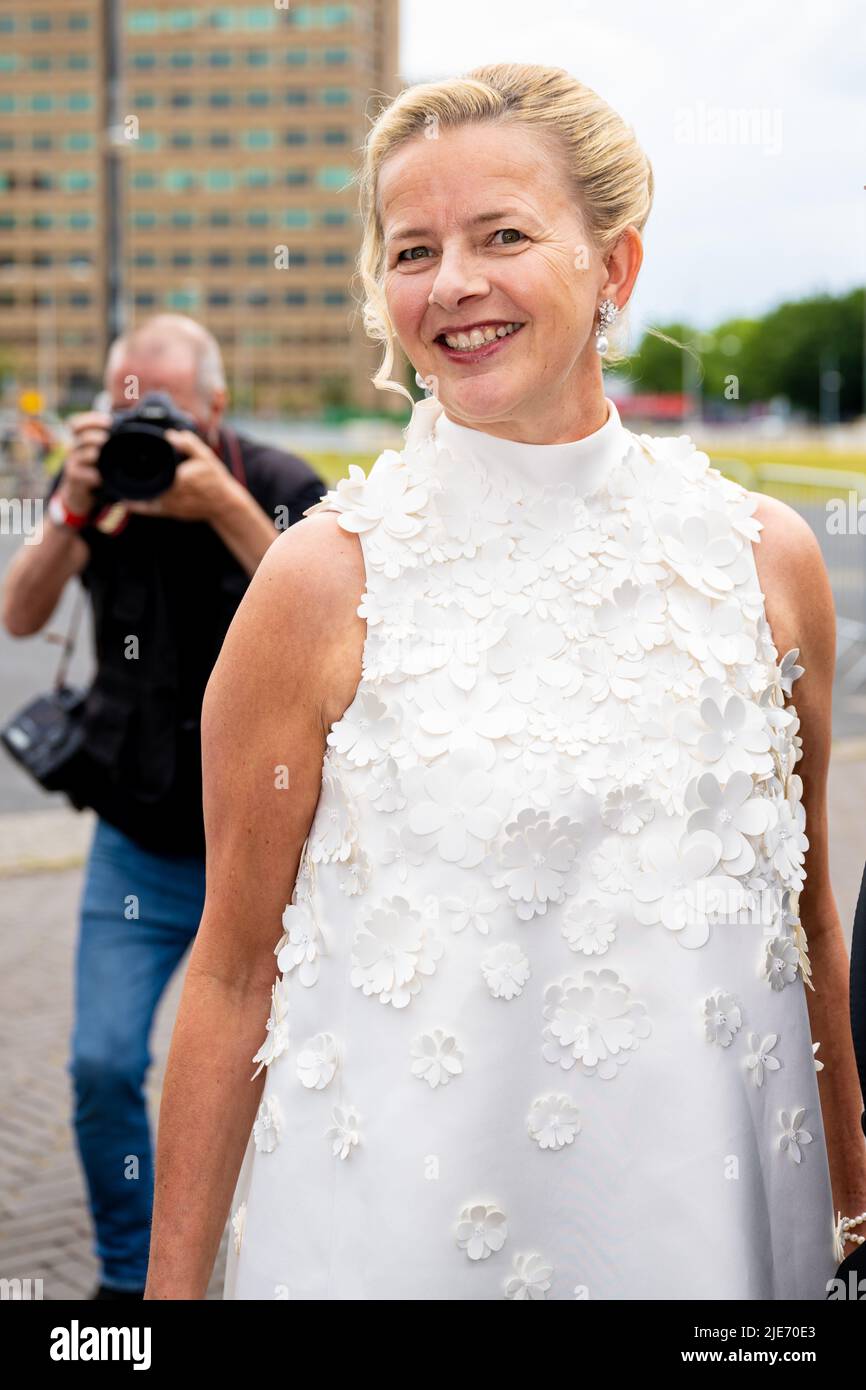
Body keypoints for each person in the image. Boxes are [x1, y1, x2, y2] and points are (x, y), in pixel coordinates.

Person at [143, 65, 866, 1301]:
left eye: (503, 236)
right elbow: (231, 971)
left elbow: (802, 928)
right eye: (411, 248)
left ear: (614, 270)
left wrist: (853, 1201)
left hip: (710, 1234)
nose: (452, 285)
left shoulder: (766, 561)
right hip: (392, 1239)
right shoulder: (321, 581)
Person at [1, 313, 326, 1299]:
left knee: (300, 1079)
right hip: (138, 837)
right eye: (121, 406)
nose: (139, 426)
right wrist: (73, 507)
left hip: (274, 844)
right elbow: (19, 613)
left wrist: (221, 502)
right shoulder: (97, 488)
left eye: (162, 408)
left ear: (215, 406)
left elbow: (343, 617)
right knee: (102, 1064)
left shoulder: (275, 484)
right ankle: (122, 1276)